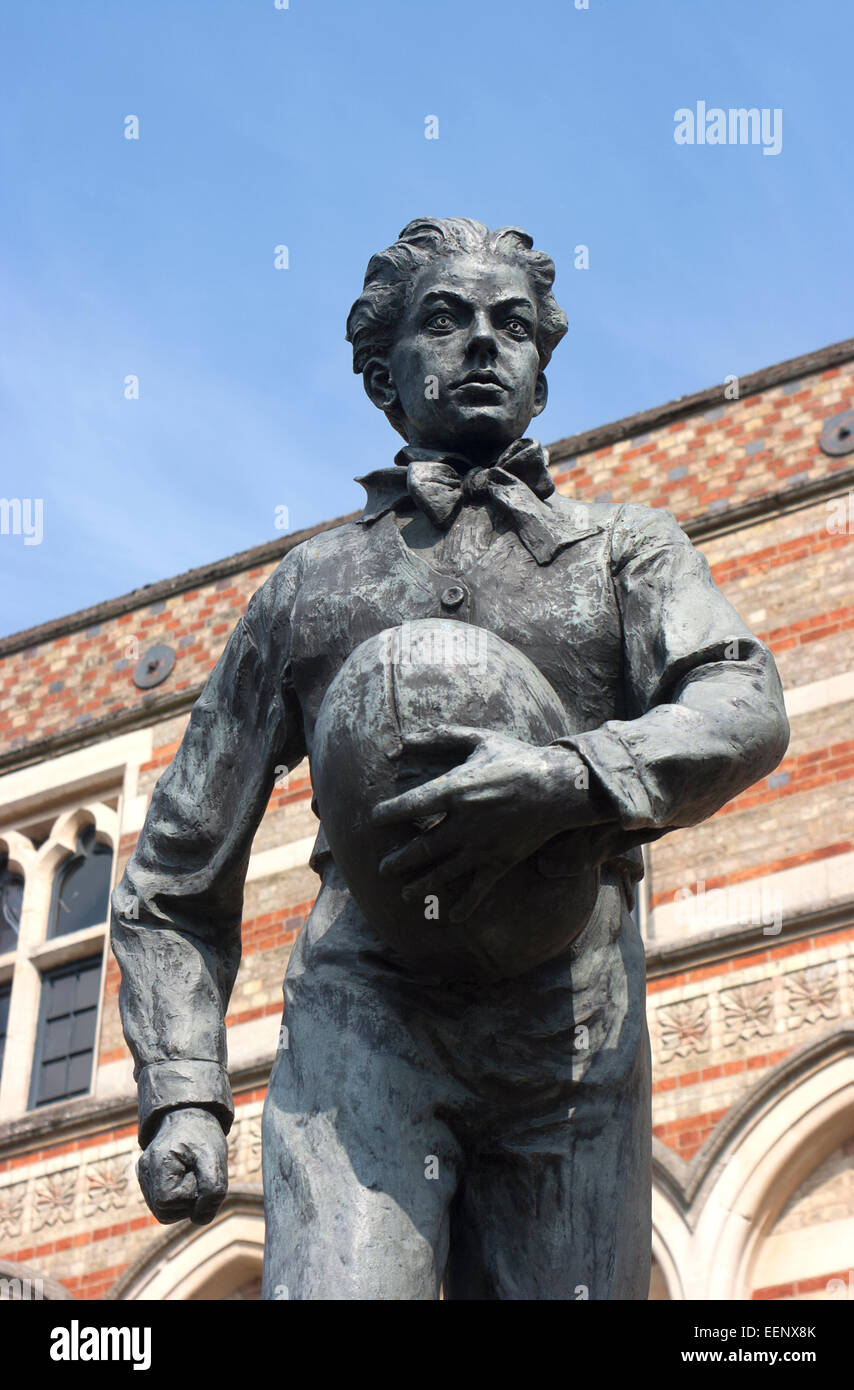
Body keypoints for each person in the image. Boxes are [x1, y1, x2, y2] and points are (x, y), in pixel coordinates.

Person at [111, 217, 789, 1299]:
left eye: (509, 325)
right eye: (446, 319)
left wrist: (565, 779)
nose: (482, 344)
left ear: (539, 371)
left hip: (570, 1030)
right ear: (385, 376)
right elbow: (176, 868)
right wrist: (182, 1088)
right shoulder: (308, 588)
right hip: (362, 1021)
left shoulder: (625, 551)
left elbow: (744, 702)